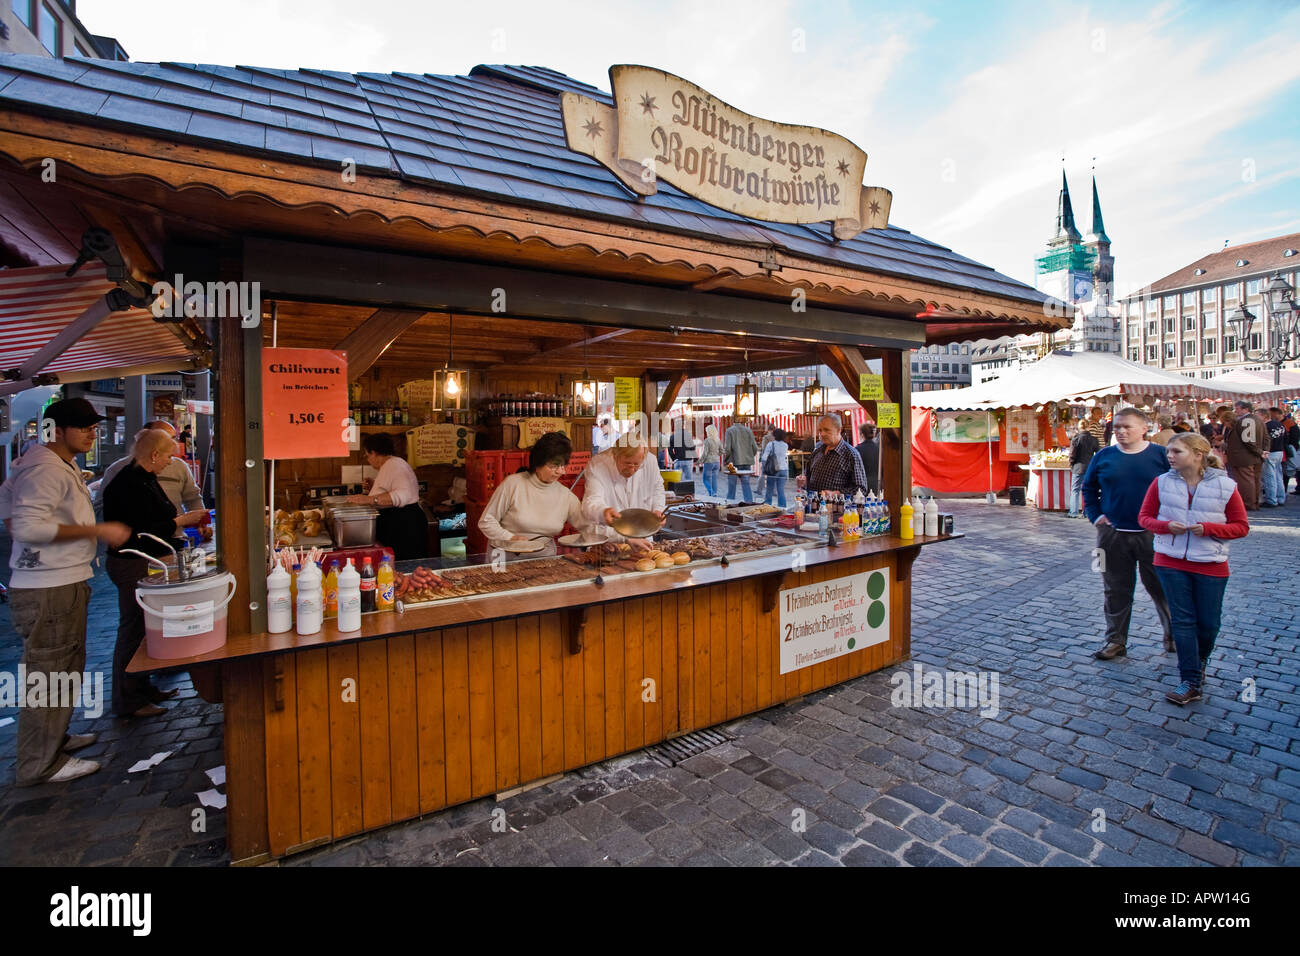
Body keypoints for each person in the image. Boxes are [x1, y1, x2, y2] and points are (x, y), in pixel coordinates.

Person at [0, 398, 131, 784]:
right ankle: (39, 763)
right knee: (51, 669)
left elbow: (9, 507)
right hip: (48, 586)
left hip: (58, 580)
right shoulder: (44, 469)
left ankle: (53, 740)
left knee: (64, 667)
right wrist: (97, 530)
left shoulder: (46, 463)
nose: (93, 433)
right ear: (56, 431)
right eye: (84, 427)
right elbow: (25, 528)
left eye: (95, 428)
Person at [1138, 433, 1249, 705]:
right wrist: (1166, 526)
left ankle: (1199, 664)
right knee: (1183, 621)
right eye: (1169, 452)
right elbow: (1145, 518)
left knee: (1209, 624)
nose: (1170, 456)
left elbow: (1241, 526)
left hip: (1211, 563)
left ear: (1198, 455)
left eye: (1177, 452)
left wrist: (1209, 529)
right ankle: (1189, 680)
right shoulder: (1161, 482)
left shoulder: (1225, 486)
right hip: (1170, 561)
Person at [103, 428, 207, 718]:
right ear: (153, 455)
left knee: (145, 629)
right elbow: (141, 529)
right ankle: (128, 700)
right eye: (168, 457)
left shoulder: (144, 478)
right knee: (134, 629)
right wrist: (181, 520)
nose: (169, 463)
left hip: (151, 560)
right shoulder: (127, 483)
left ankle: (142, 688)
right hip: (134, 563)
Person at [1081, 406, 1174, 660]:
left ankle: (1172, 633)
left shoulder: (1161, 455)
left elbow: (1177, 489)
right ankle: (1115, 640)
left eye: (1127, 427)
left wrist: (1166, 521)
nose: (1121, 431)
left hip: (1152, 534)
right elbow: (1088, 489)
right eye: (1118, 427)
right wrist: (1097, 516)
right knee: (1114, 588)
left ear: (1144, 429)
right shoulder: (1104, 456)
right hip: (1111, 535)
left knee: (1161, 586)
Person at [478, 432, 590, 557]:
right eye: (554, 466)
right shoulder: (513, 484)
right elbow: (486, 521)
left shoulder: (565, 496)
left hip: (544, 560)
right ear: (537, 464)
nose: (560, 471)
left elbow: (587, 526)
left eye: (563, 466)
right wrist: (510, 538)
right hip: (504, 558)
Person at [96, 420, 204, 518]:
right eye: (164, 438)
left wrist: (201, 522)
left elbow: (193, 498)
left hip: (175, 536)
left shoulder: (179, 466)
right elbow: (102, 508)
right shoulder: (120, 470)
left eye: (173, 438)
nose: (172, 443)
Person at [345, 432, 428, 559]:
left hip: (404, 526)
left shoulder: (394, 465)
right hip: (399, 523)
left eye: (367, 456)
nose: (368, 460)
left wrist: (370, 499)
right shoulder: (391, 464)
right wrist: (375, 487)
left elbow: (402, 495)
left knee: (406, 568)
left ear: (374, 453)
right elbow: (392, 490)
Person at [580, 439, 665, 548]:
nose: (631, 469)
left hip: (643, 536)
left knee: (646, 563)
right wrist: (603, 511)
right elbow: (591, 502)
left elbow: (657, 489)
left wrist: (658, 509)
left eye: (636, 465)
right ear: (615, 456)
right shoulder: (598, 465)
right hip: (609, 540)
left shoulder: (650, 461)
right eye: (627, 463)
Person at [797, 413, 868, 496]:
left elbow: (861, 489)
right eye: (820, 430)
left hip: (838, 507)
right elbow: (807, 476)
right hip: (813, 506)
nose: (822, 434)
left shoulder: (851, 454)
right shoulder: (817, 451)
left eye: (826, 430)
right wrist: (803, 480)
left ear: (839, 430)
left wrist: (835, 493)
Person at [1222, 400, 1266, 511]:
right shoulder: (1258, 420)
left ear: (1245, 409)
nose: (1235, 411)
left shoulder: (1246, 421)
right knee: (1254, 480)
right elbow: (1266, 438)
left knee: (1246, 481)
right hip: (1254, 456)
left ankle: (1248, 503)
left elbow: (1248, 441)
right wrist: (1264, 452)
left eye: (1237, 409)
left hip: (1244, 457)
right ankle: (1254, 502)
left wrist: (1260, 452)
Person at [1067, 417, 1099, 517]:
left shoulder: (1076, 439)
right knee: (1087, 490)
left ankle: (1073, 512)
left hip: (1078, 467)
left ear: (1079, 427)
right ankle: (1086, 512)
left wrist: (1071, 465)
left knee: (1075, 490)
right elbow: (1098, 453)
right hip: (1089, 467)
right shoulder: (1094, 439)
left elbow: (1072, 454)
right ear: (1088, 426)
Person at [722, 419, 758, 503]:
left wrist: (726, 459)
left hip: (733, 461)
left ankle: (730, 504)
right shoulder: (748, 430)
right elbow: (755, 447)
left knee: (732, 486)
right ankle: (749, 503)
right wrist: (749, 456)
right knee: (746, 484)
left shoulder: (729, 430)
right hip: (746, 461)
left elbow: (727, 448)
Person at [1262, 407, 1287, 507]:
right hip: (1279, 451)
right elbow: (1286, 438)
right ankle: (1281, 498)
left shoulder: (1265, 426)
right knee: (1278, 476)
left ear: (1264, 416)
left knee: (1269, 477)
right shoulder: (1279, 424)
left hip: (1270, 452)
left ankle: (1271, 499)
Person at [760, 428, 789, 508]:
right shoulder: (785, 445)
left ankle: (767, 506)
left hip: (773, 469)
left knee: (769, 489)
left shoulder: (771, 444)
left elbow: (764, 458)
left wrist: (763, 467)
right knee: (781, 490)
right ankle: (782, 507)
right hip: (783, 469)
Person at [854, 424, 881, 494]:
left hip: (863, 484)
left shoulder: (857, 449)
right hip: (879, 484)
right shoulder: (880, 449)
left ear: (862, 435)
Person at [698, 423, 721, 498]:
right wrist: (717, 455)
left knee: (705, 480)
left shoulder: (707, 440)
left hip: (709, 462)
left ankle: (712, 492)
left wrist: (699, 461)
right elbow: (722, 451)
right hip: (717, 462)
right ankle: (714, 493)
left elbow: (705, 453)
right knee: (714, 479)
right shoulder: (718, 440)